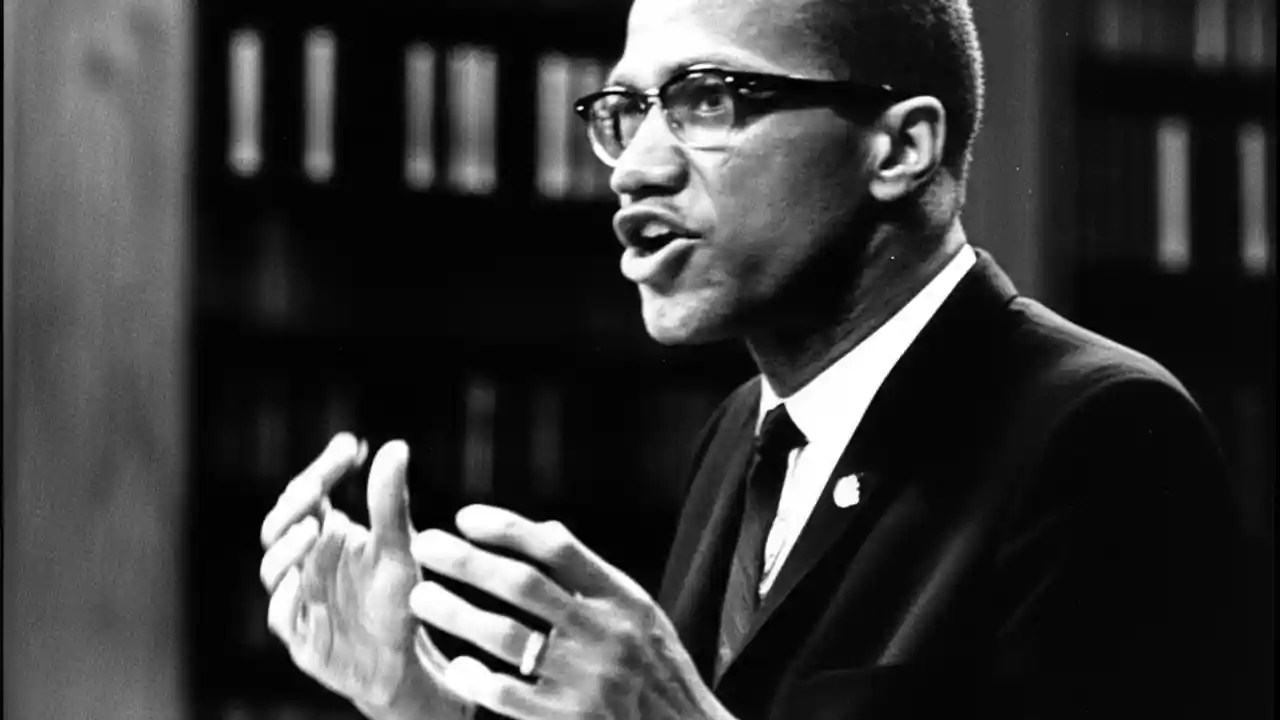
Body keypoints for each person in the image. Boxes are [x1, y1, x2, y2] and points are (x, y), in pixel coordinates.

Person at [257, 0, 1247, 718]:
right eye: (621, 113)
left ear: (898, 148)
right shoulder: (743, 431)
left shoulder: (1105, 435)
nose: (634, 166)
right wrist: (418, 700)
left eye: (706, 100)